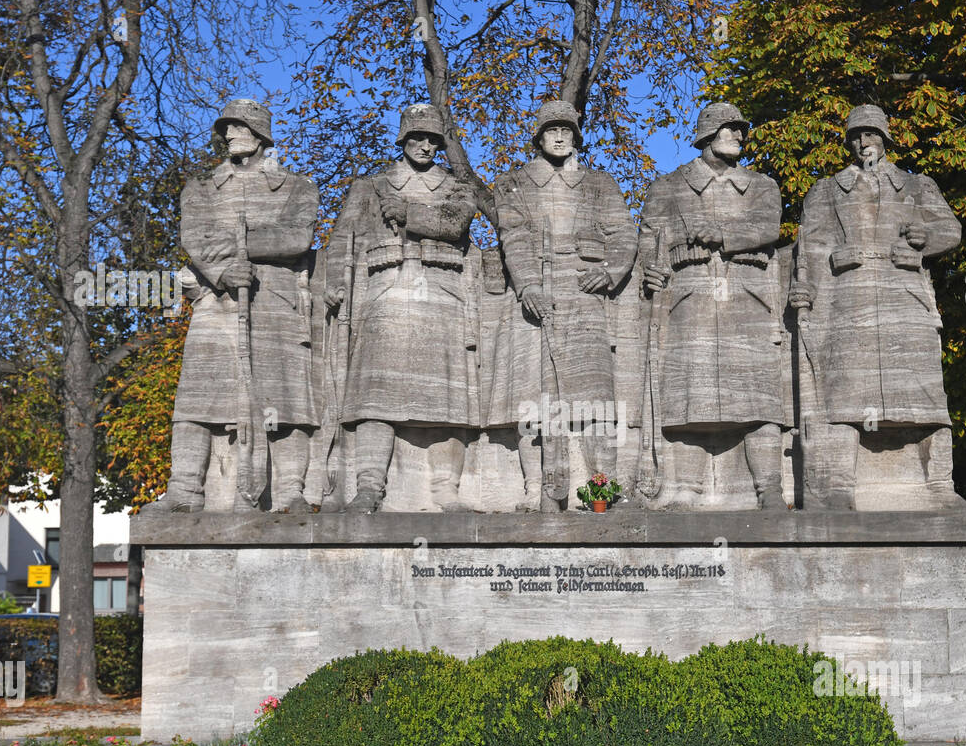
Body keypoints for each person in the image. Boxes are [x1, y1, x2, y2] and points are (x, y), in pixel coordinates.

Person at [789, 103, 966, 510]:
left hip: (904, 297)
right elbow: (812, 246)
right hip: (848, 300)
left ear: (885, 139)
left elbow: (950, 230)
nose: (862, 142)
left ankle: (940, 486)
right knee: (845, 397)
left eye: (870, 134)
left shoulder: (915, 185)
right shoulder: (826, 190)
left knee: (925, 395)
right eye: (855, 136)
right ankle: (840, 489)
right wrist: (806, 289)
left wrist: (925, 240)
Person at [322, 103, 480, 513]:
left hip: (442, 294)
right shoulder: (370, 187)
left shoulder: (456, 186)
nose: (425, 145)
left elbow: (455, 224)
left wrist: (409, 213)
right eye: (417, 138)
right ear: (403, 140)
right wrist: (334, 284)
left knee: (447, 402)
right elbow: (342, 239)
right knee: (377, 396)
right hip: (385, 294)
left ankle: (446, 489)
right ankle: (370, 486)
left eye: (433, 140)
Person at [163, 98, 319, 513]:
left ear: (261, 135)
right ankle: (184, 490)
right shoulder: (200, 189)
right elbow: (195, 239)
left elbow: (296, 239)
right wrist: (222, 272)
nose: (229, 135)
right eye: (226, 129)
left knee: (285, 402)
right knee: (199, 397)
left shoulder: (297, 187)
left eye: (239, 127)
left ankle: (290, 493)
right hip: (217, 302)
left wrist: (239, 243)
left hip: (277, 301)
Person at [639, 102, 789, 510]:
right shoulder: (667, 186)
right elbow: (649, 238)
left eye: (741, 130)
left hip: (747, 296)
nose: (740, 136)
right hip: (689, 295)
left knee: (759, 398)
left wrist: (722, 232)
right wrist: (650, 271)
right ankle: (686, 488)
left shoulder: (762, 185)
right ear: (707, 134)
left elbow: (768, 227)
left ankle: (769, 489)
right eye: (731, 129)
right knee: (689, 395)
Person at [493, 100, 637, 511]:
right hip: (537, 301)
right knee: (544, 404)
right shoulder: (514, 184)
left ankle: (603, 492)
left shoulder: (600, 185)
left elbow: (624, 233)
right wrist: (527, 287)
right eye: (551, 130)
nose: (559, 137)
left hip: (586, 296)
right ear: (538, 137)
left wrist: (610, 272)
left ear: (577, 137)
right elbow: (513, 238)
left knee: (597, 401)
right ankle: (548, 491)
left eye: (567, 131)